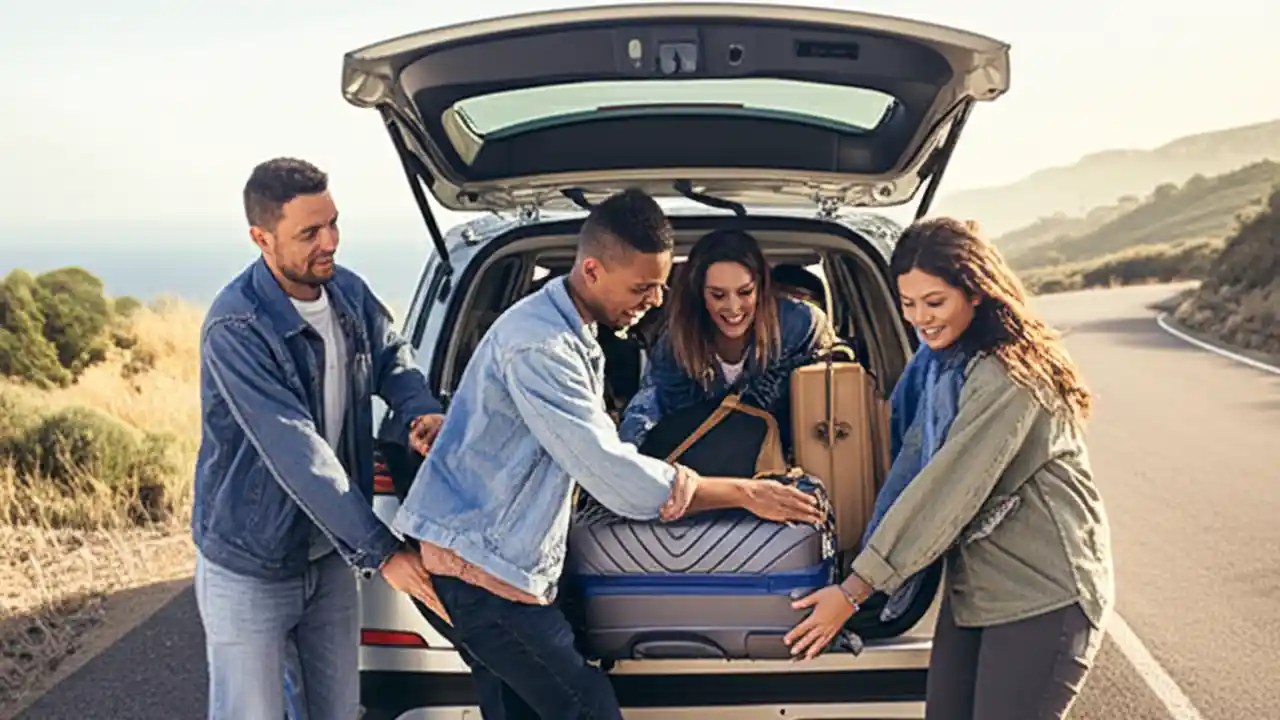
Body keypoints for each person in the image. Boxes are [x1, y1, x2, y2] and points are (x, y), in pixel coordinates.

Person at [393, 189, 825, 719]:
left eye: (664, 285)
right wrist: (744, 493)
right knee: (586, 707)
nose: (658, 300)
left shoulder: (567, 333)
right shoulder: (542, 347)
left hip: (494, 566)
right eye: (643, 286)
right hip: (486, 577)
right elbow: (611, 474)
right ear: (593, 270)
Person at [783, 217, 1114, 720]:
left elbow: (945, 488)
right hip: (978, 591)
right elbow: (909, 462)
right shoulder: (938, 365)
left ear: (976, 292)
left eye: (934, 303)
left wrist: (855, 590)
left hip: (1043, 593)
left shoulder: (1011, 374)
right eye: (908, 304)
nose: (921, 319)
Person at [192, 157, 446, 720]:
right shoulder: (236, 328)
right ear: (261, 237)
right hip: (251, 561)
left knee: (337, 712)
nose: (329, 241)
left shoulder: (347, 292)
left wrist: (418, 411)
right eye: (309, 232)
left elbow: (393, 356)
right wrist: (383, 552)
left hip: (328, 554)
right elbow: (297, 451)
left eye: (333, 223)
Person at [618, 229, 833, 453]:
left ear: (761, 288)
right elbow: (655, 408)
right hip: (708, 469)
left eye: (745, 292)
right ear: (699, 294)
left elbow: (824, 401)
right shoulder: (676, 343)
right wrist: (628, 462)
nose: (733, 307)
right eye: (718, 295)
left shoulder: (800, 326)